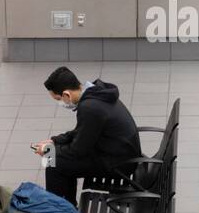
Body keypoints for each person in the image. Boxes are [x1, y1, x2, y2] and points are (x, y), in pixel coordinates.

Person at [32, 66, 142, 205]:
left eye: (58, 99)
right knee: (56, 158)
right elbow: (83, 131)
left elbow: (77, 151)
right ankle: (67, 206)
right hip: (119, 152)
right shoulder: (97, 93)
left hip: (118, 164)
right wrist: (56, 141)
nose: (60, 103)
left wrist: (49, 151)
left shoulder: (90, 108)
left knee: (53, 163)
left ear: (67, 95)